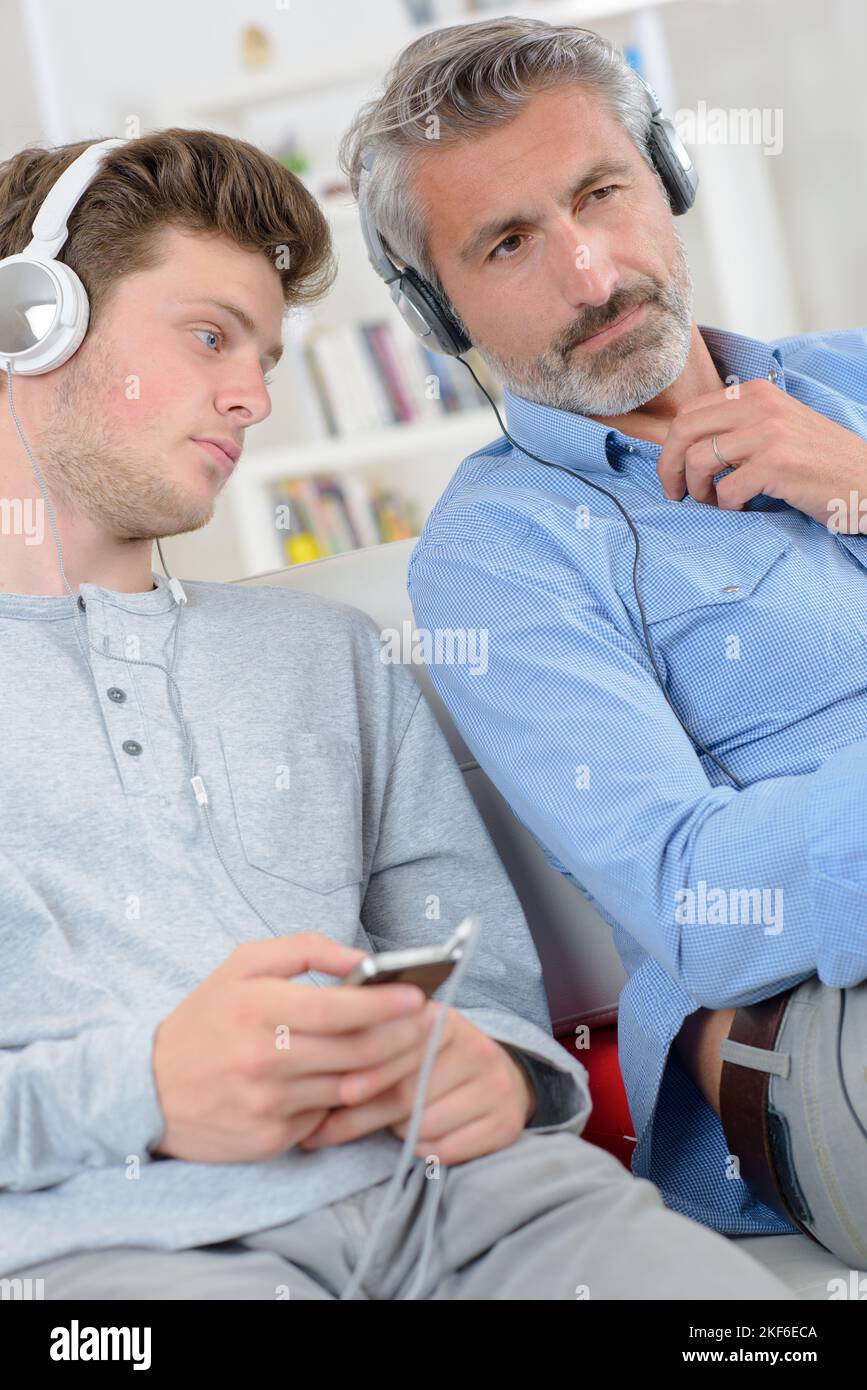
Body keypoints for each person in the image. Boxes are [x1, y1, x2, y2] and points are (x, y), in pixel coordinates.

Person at [0, 128, 792, 1301]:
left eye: (265, 355)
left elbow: (484, 984)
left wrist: (500, 1070)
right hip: (105, 1252)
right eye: (211, 335)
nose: (256, 396)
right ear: (34, 320)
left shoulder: (331, 653)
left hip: (477, 1207)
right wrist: (145, 1090)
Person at [338, 17, 867, 1270]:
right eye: (508, 243)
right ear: (435, 306)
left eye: (600, 193)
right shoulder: (498, 555)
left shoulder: (853, 384)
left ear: (667, 183)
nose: (589, 275)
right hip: (822, 1027)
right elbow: (705, 904)